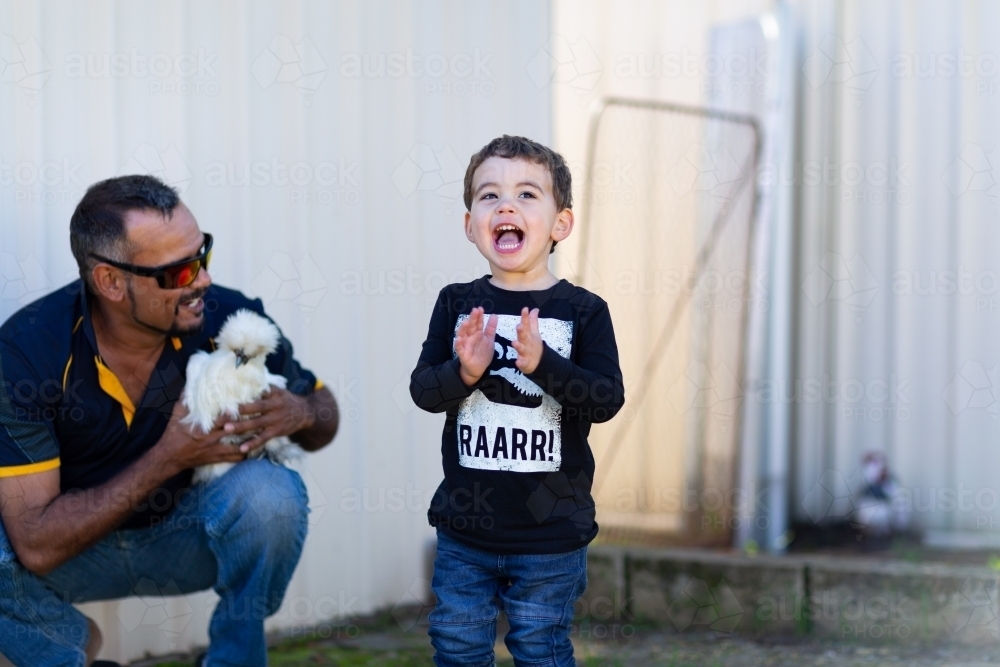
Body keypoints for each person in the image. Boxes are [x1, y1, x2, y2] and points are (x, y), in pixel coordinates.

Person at [0, 175, 338, 667]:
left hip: (185, 538)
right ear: (110, 282)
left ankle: (234, 658)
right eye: (177, 272)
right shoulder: (28, 353)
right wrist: (169, 455)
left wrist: (301, 411)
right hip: (74, 553)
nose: (201, 279)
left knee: (273, 496)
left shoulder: (229, 318)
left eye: (203, 254)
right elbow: (35, 545)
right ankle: (69, 647)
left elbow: (325, 414)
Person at [409, 135, 625, 667]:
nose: (506, 205)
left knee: (539, 648)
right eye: (489, 196)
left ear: (560, 224)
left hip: (551, 533)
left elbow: (604, 399)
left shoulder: (584, 310)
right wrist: (465, 370)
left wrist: (542, 365)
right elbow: (423, 392)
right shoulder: (457, 303)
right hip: (465, 530)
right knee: (457, 645)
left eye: (527, 194)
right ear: (470, 225)